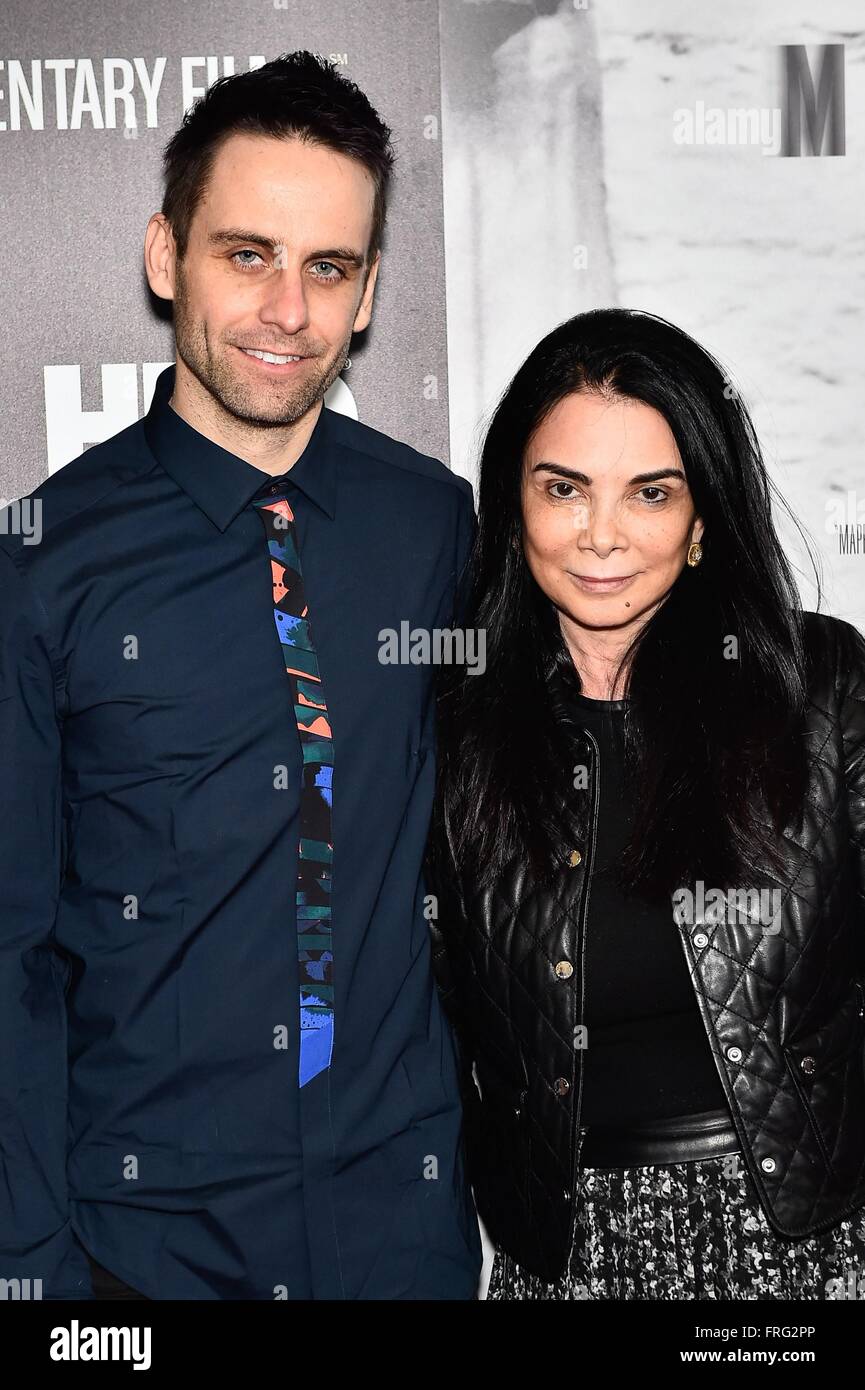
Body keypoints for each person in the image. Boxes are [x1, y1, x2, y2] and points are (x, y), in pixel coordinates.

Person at [0, 51, 481, 1301]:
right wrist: (42, 1275)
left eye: (328, 267)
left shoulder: (433, 527)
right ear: (167, 256)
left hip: (403, 1237)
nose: (287, 310)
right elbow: (10, 958)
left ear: (371, 292)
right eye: (247, 253)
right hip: (148, 1255)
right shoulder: (41, 564)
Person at [425, 307, 865, 1300]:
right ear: (515, 503)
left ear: (702, 521)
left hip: (803, 1251)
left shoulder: (823, 689)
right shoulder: (458, 735)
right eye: (563, 489)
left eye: (650, 493)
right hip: (566, 1262)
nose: (602, 535)